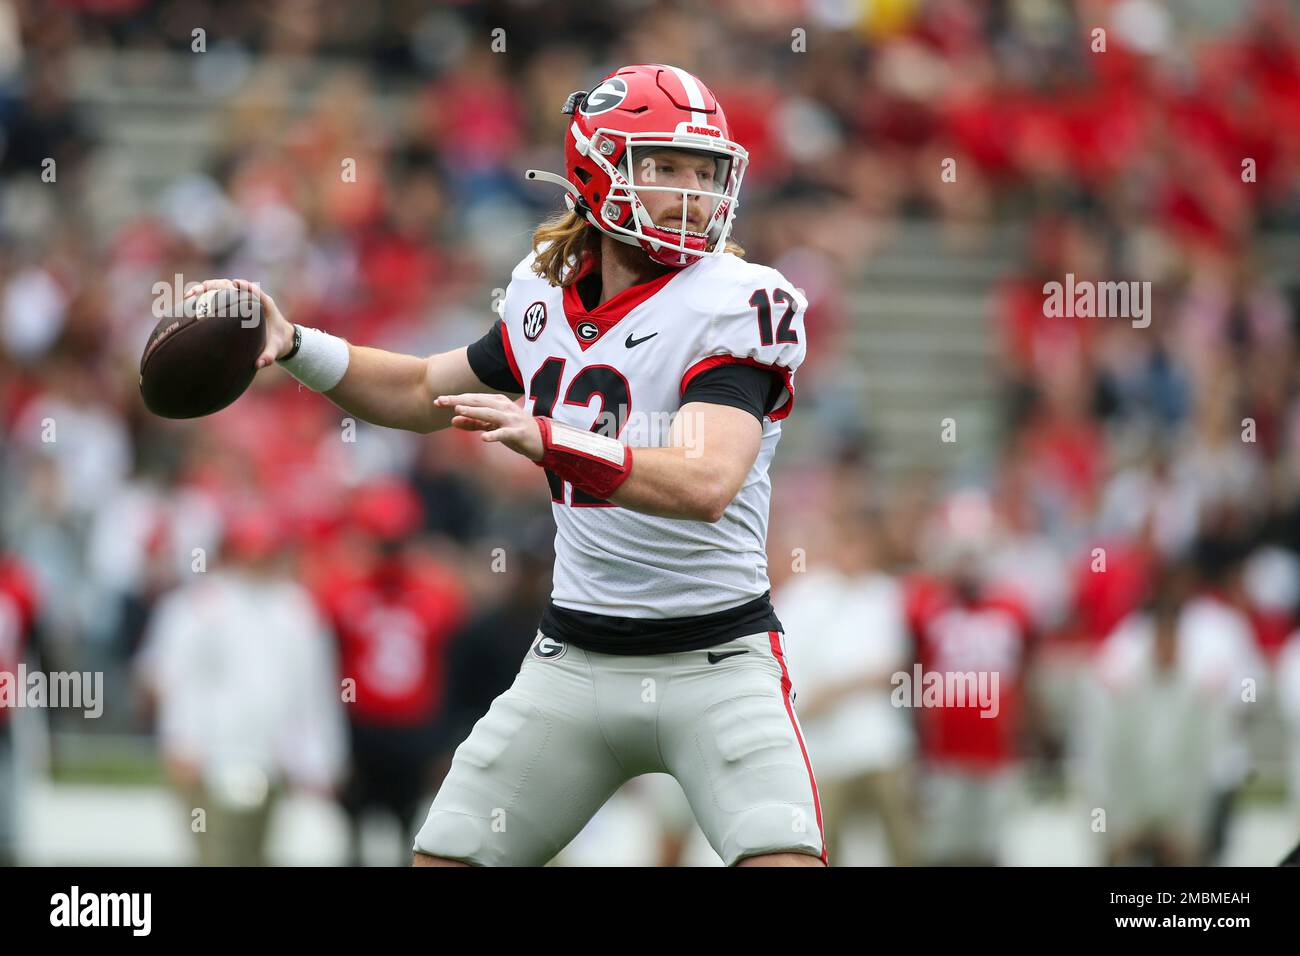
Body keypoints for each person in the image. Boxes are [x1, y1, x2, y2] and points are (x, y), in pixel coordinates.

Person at [187, 64, 822, 867]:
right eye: (664, 166)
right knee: (447, 860)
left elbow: (705, 482)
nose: (692, 189)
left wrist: (550, 438)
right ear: (597, 168)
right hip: (575, 662)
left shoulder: (737, 299)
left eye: (705, 169)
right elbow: (422, 389)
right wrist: (295, 345)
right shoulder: (542, 296)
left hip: (718, 657)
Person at [136, 509, 347, 866]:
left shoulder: (296, 610)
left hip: (271, 757)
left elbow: (312, 692)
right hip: (208, 756)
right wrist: (180, 740)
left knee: (256, 855)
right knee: (218, 855)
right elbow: (167, 677)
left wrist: (320, 757)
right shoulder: (196, 606)